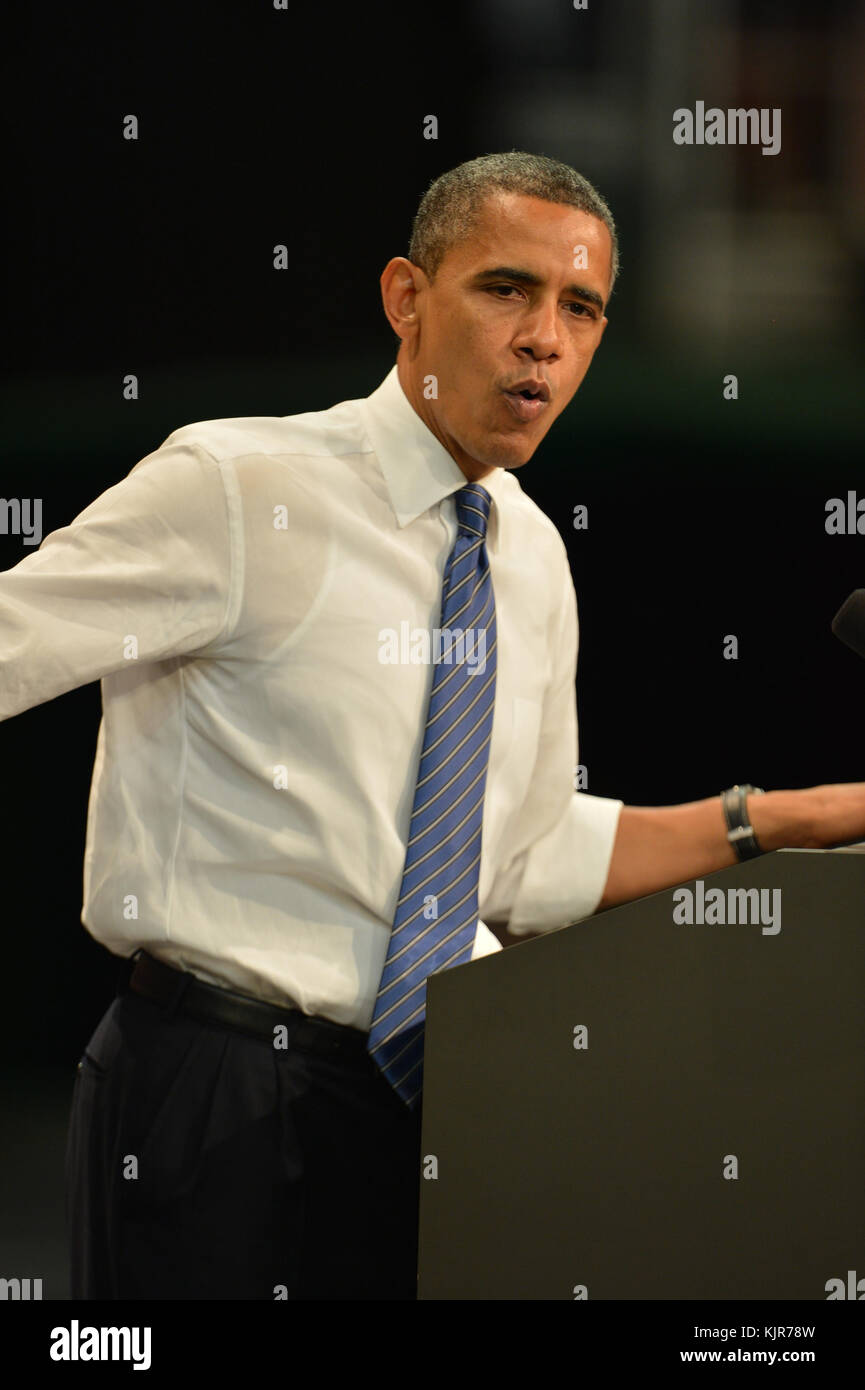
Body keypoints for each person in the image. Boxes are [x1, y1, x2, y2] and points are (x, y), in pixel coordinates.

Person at [2, 151, 864, 1302]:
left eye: (580, 307)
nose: (543, 339)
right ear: (407, 297)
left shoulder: (531, 555)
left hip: (441, 1105)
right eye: (505, 290)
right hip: (211, 1091)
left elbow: (518, 858)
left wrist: (800, 818)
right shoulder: (235, 482)